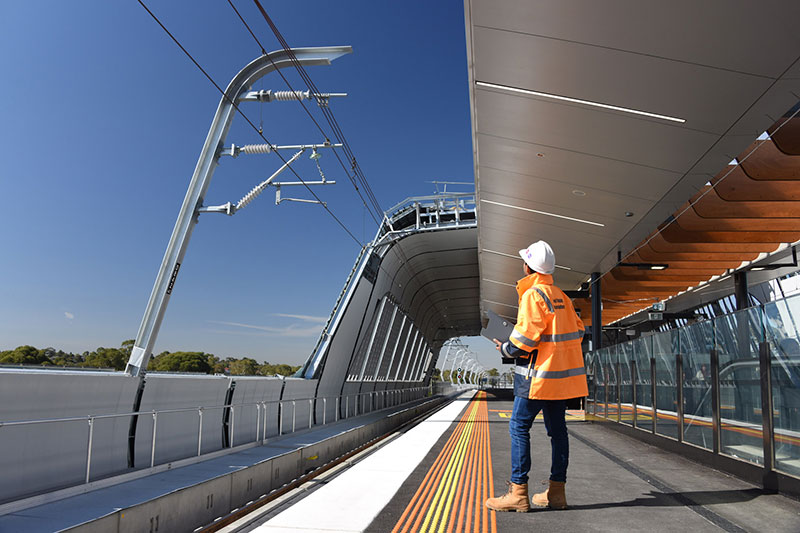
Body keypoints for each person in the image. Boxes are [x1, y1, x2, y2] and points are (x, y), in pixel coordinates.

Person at [484, 240, 588, 512]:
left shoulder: (533, 295)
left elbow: (524, 341)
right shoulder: (562, 297)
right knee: (558, 432)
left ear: (527, 267)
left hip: (536, 378)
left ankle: (518, 493)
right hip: (560, 379)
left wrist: (505, 348)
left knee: (518, 427)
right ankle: (557, 493)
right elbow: (578, 332)